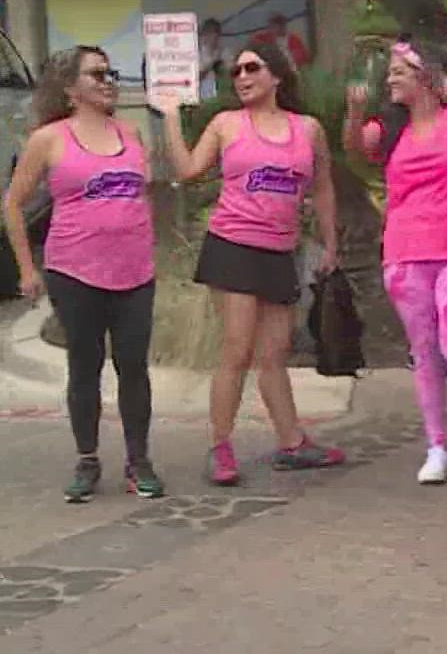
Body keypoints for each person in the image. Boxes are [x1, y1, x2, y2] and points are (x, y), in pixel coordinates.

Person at [153, 43, 346, 484]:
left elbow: (323, 189)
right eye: (235, 70)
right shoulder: (226, 124)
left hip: (280, 250)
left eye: (251, 67)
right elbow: (188, 171)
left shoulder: (308, 129)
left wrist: (330, 243)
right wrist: (168, 117)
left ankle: (293, 442)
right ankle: (220, 446)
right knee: (236, 349)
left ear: (277, 76)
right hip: (232, 246)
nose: (241, 76)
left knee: (274, 354)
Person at [4, 47, 162, 501]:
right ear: (71, 88)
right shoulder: (49, 139)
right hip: (74, 272)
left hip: (134, 271)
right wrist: (27, 270)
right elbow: (13, 204)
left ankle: (139, 460)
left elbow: (141, 195)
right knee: (84, 366)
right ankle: (87, 459)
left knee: (133, 366)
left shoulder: (131, 133)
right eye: (97, 74)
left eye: (110, 72)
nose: (108, 80)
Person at [344, 40, 447, 485]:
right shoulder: (389, 128)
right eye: (391, 71)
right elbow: (356, 147)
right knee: (425, 352)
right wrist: (355, 113)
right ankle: (437, 446)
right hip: (404, 251)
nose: (391, 77)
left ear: (425, 76)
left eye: (401, 70)